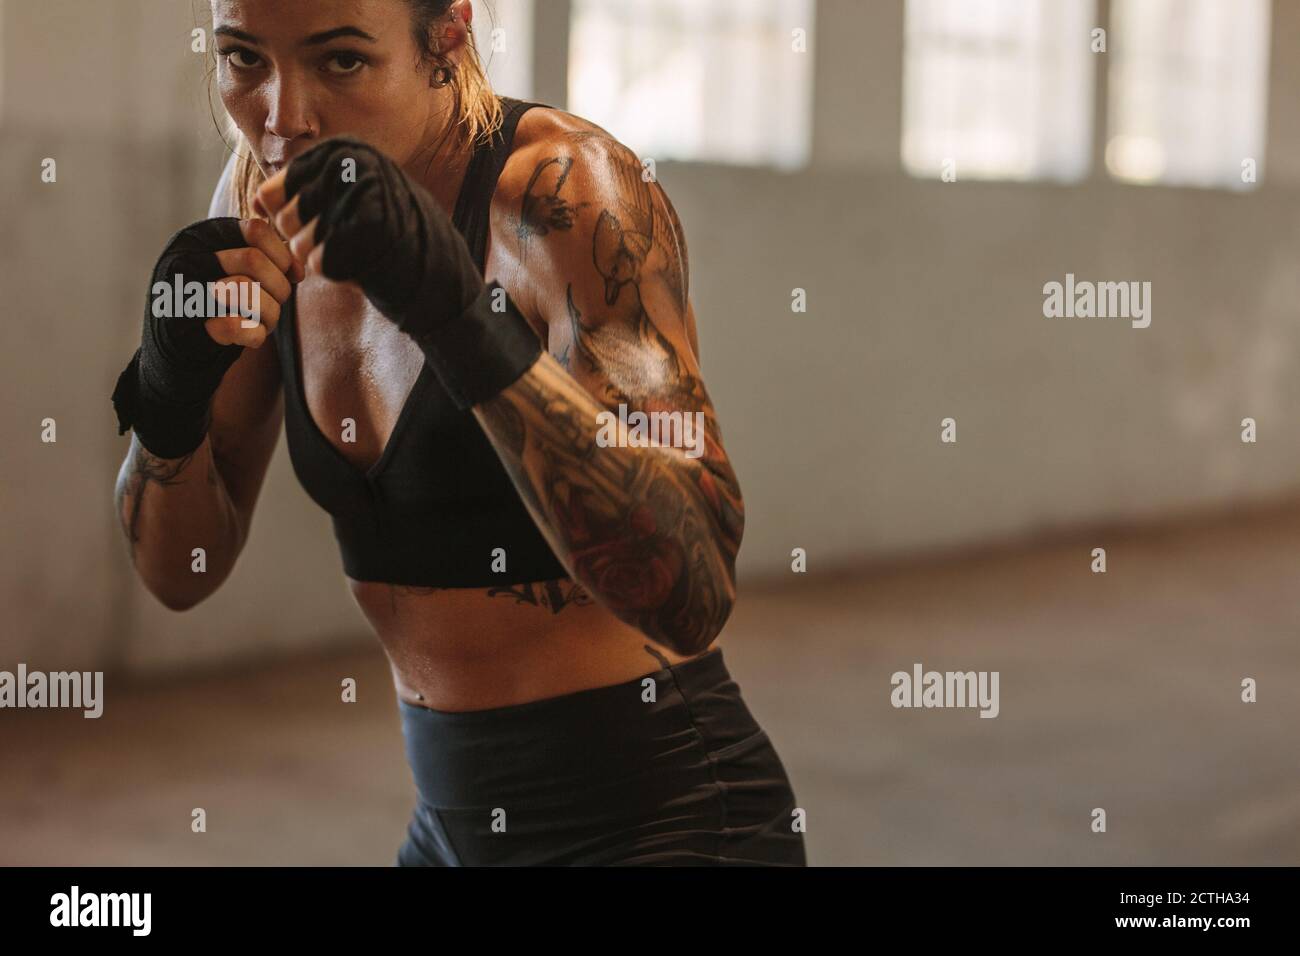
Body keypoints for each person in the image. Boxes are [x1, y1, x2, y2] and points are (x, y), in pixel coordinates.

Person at [110, 0, 806, 866]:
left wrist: (460, 322)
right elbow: (178, 575)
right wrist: (167, 404)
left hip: (664, 819)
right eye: (245, 61)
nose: (283, 118)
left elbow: (693, 592)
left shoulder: (570, 192)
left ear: (448, 34)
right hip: (453, 829)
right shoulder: (263, 204)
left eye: (341, 63)